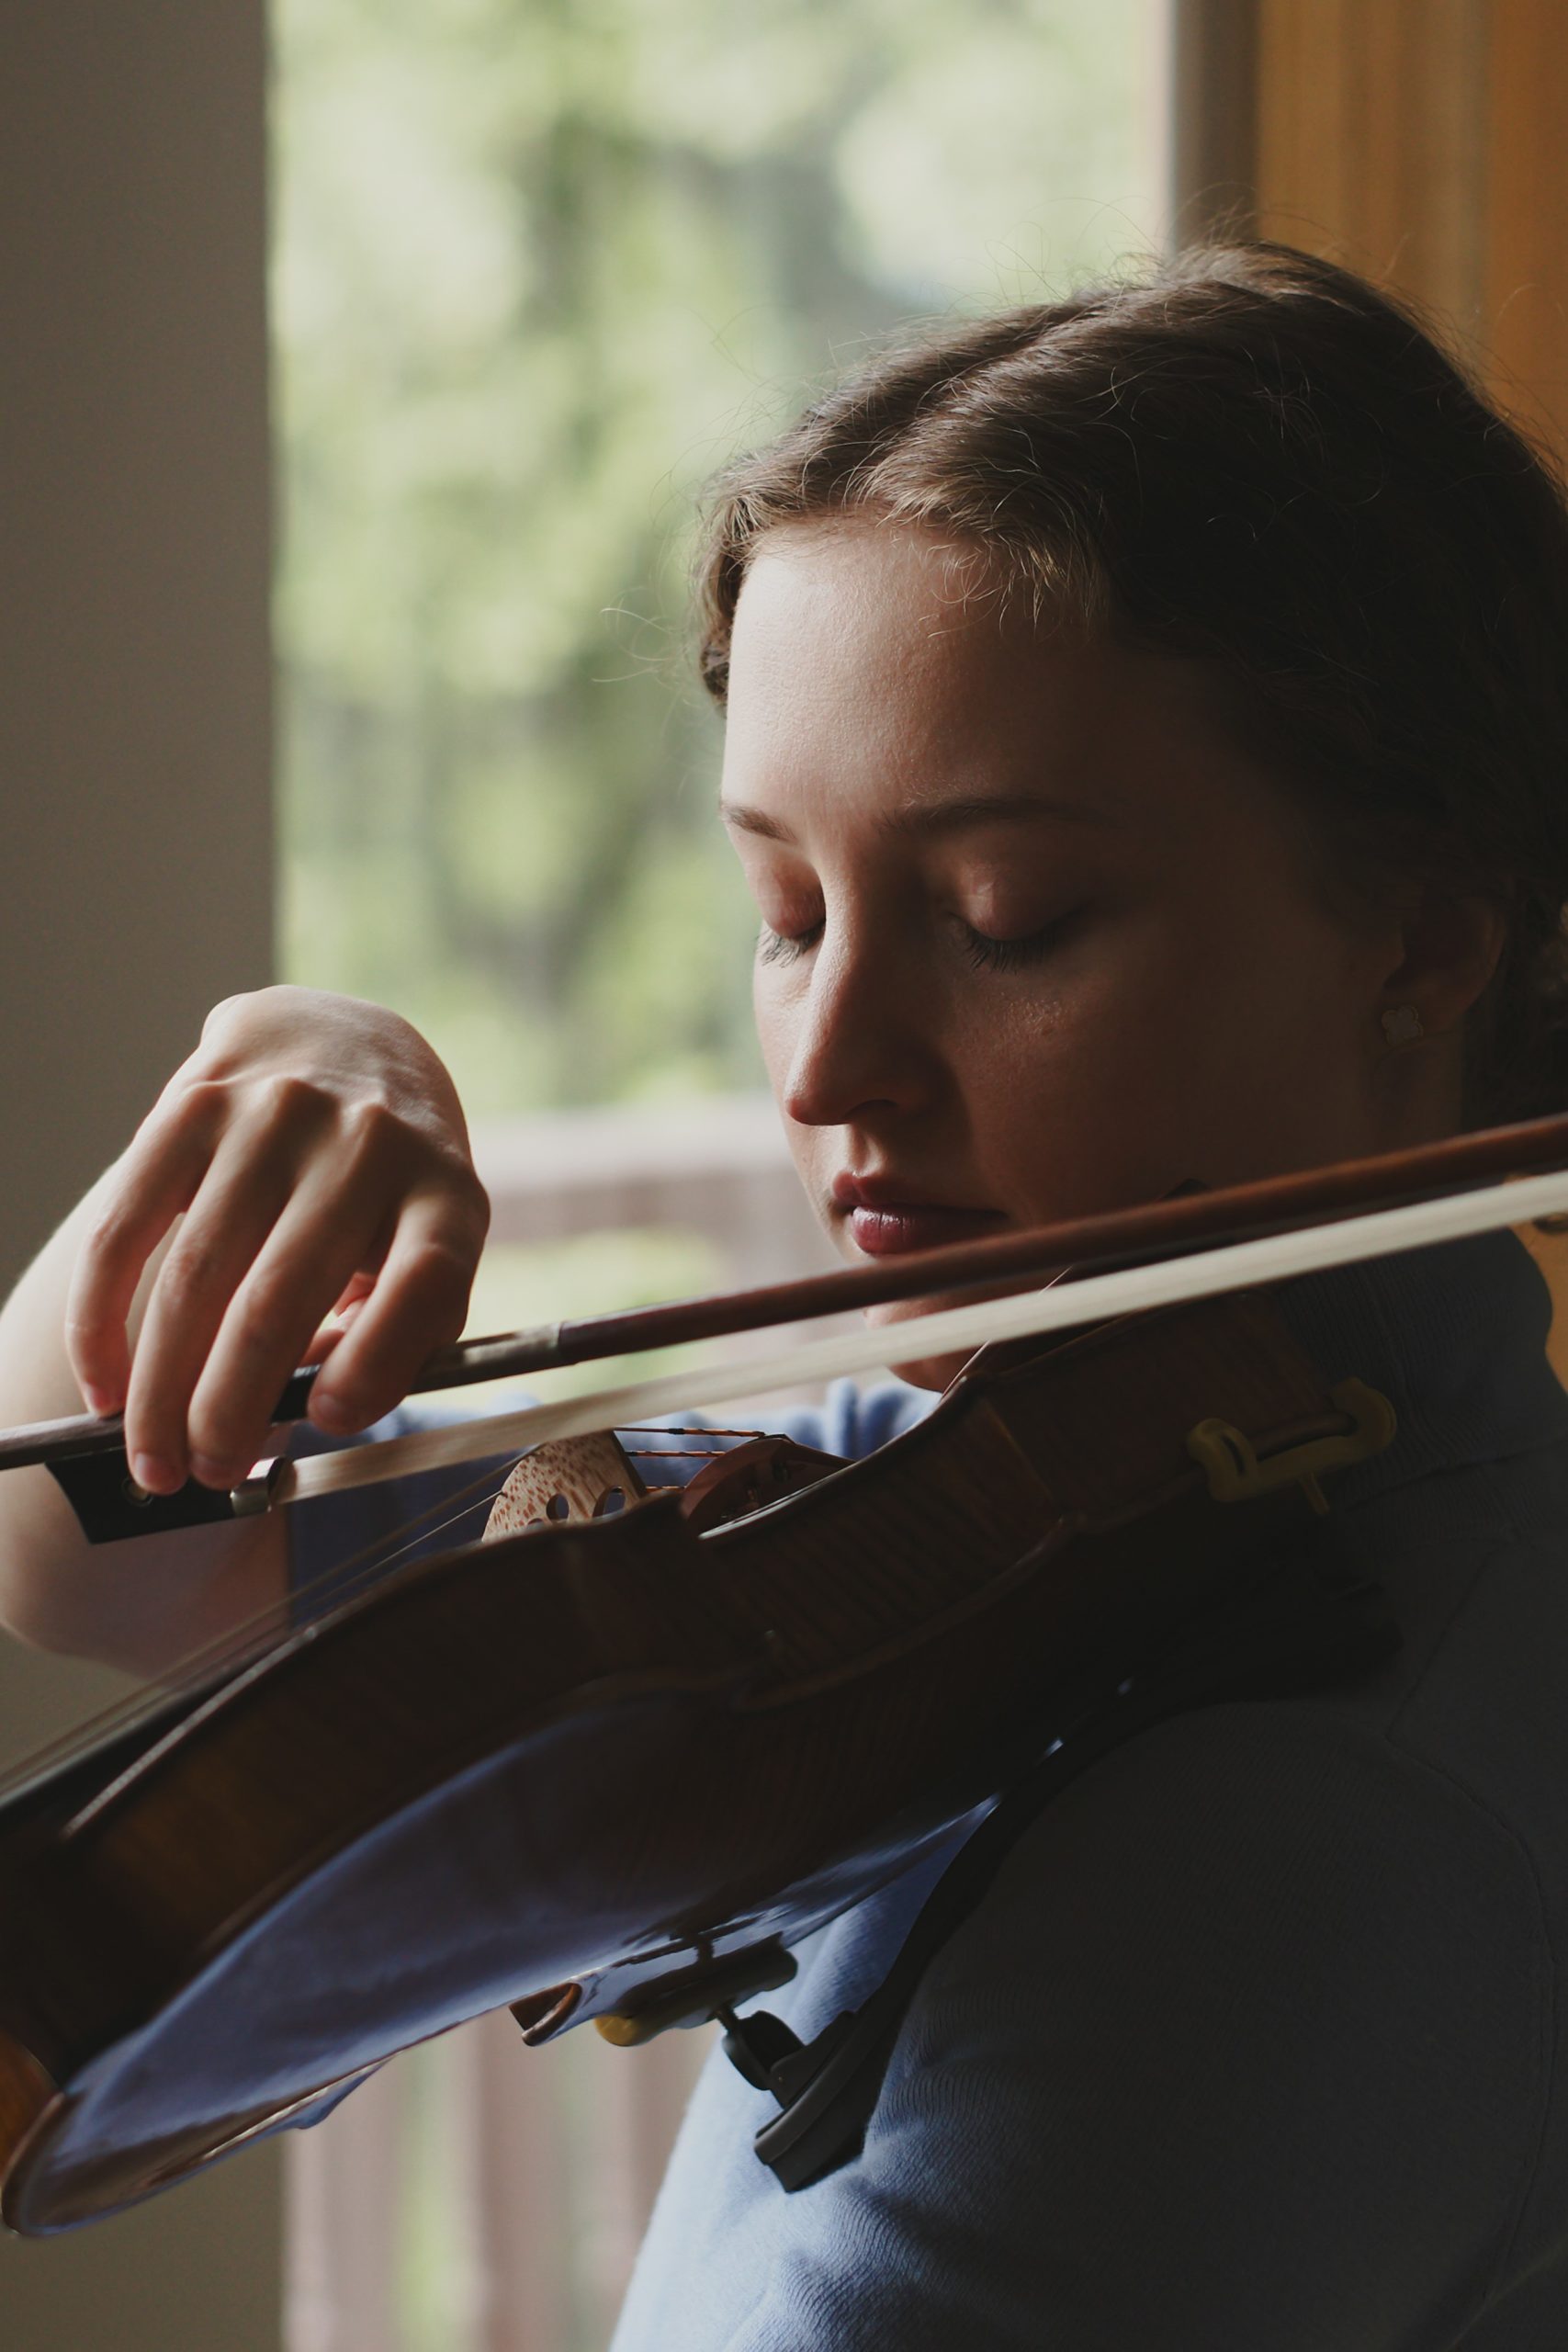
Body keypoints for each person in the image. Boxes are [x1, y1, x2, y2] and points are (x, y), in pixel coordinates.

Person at [5, 241, 1568, 2345]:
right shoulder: (983, 1492)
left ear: (1417, 943)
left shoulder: (1326, 1806)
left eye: (1005, 918)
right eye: (783, 906)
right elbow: (89, 1557)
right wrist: (279, 1055)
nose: (827, 1064)